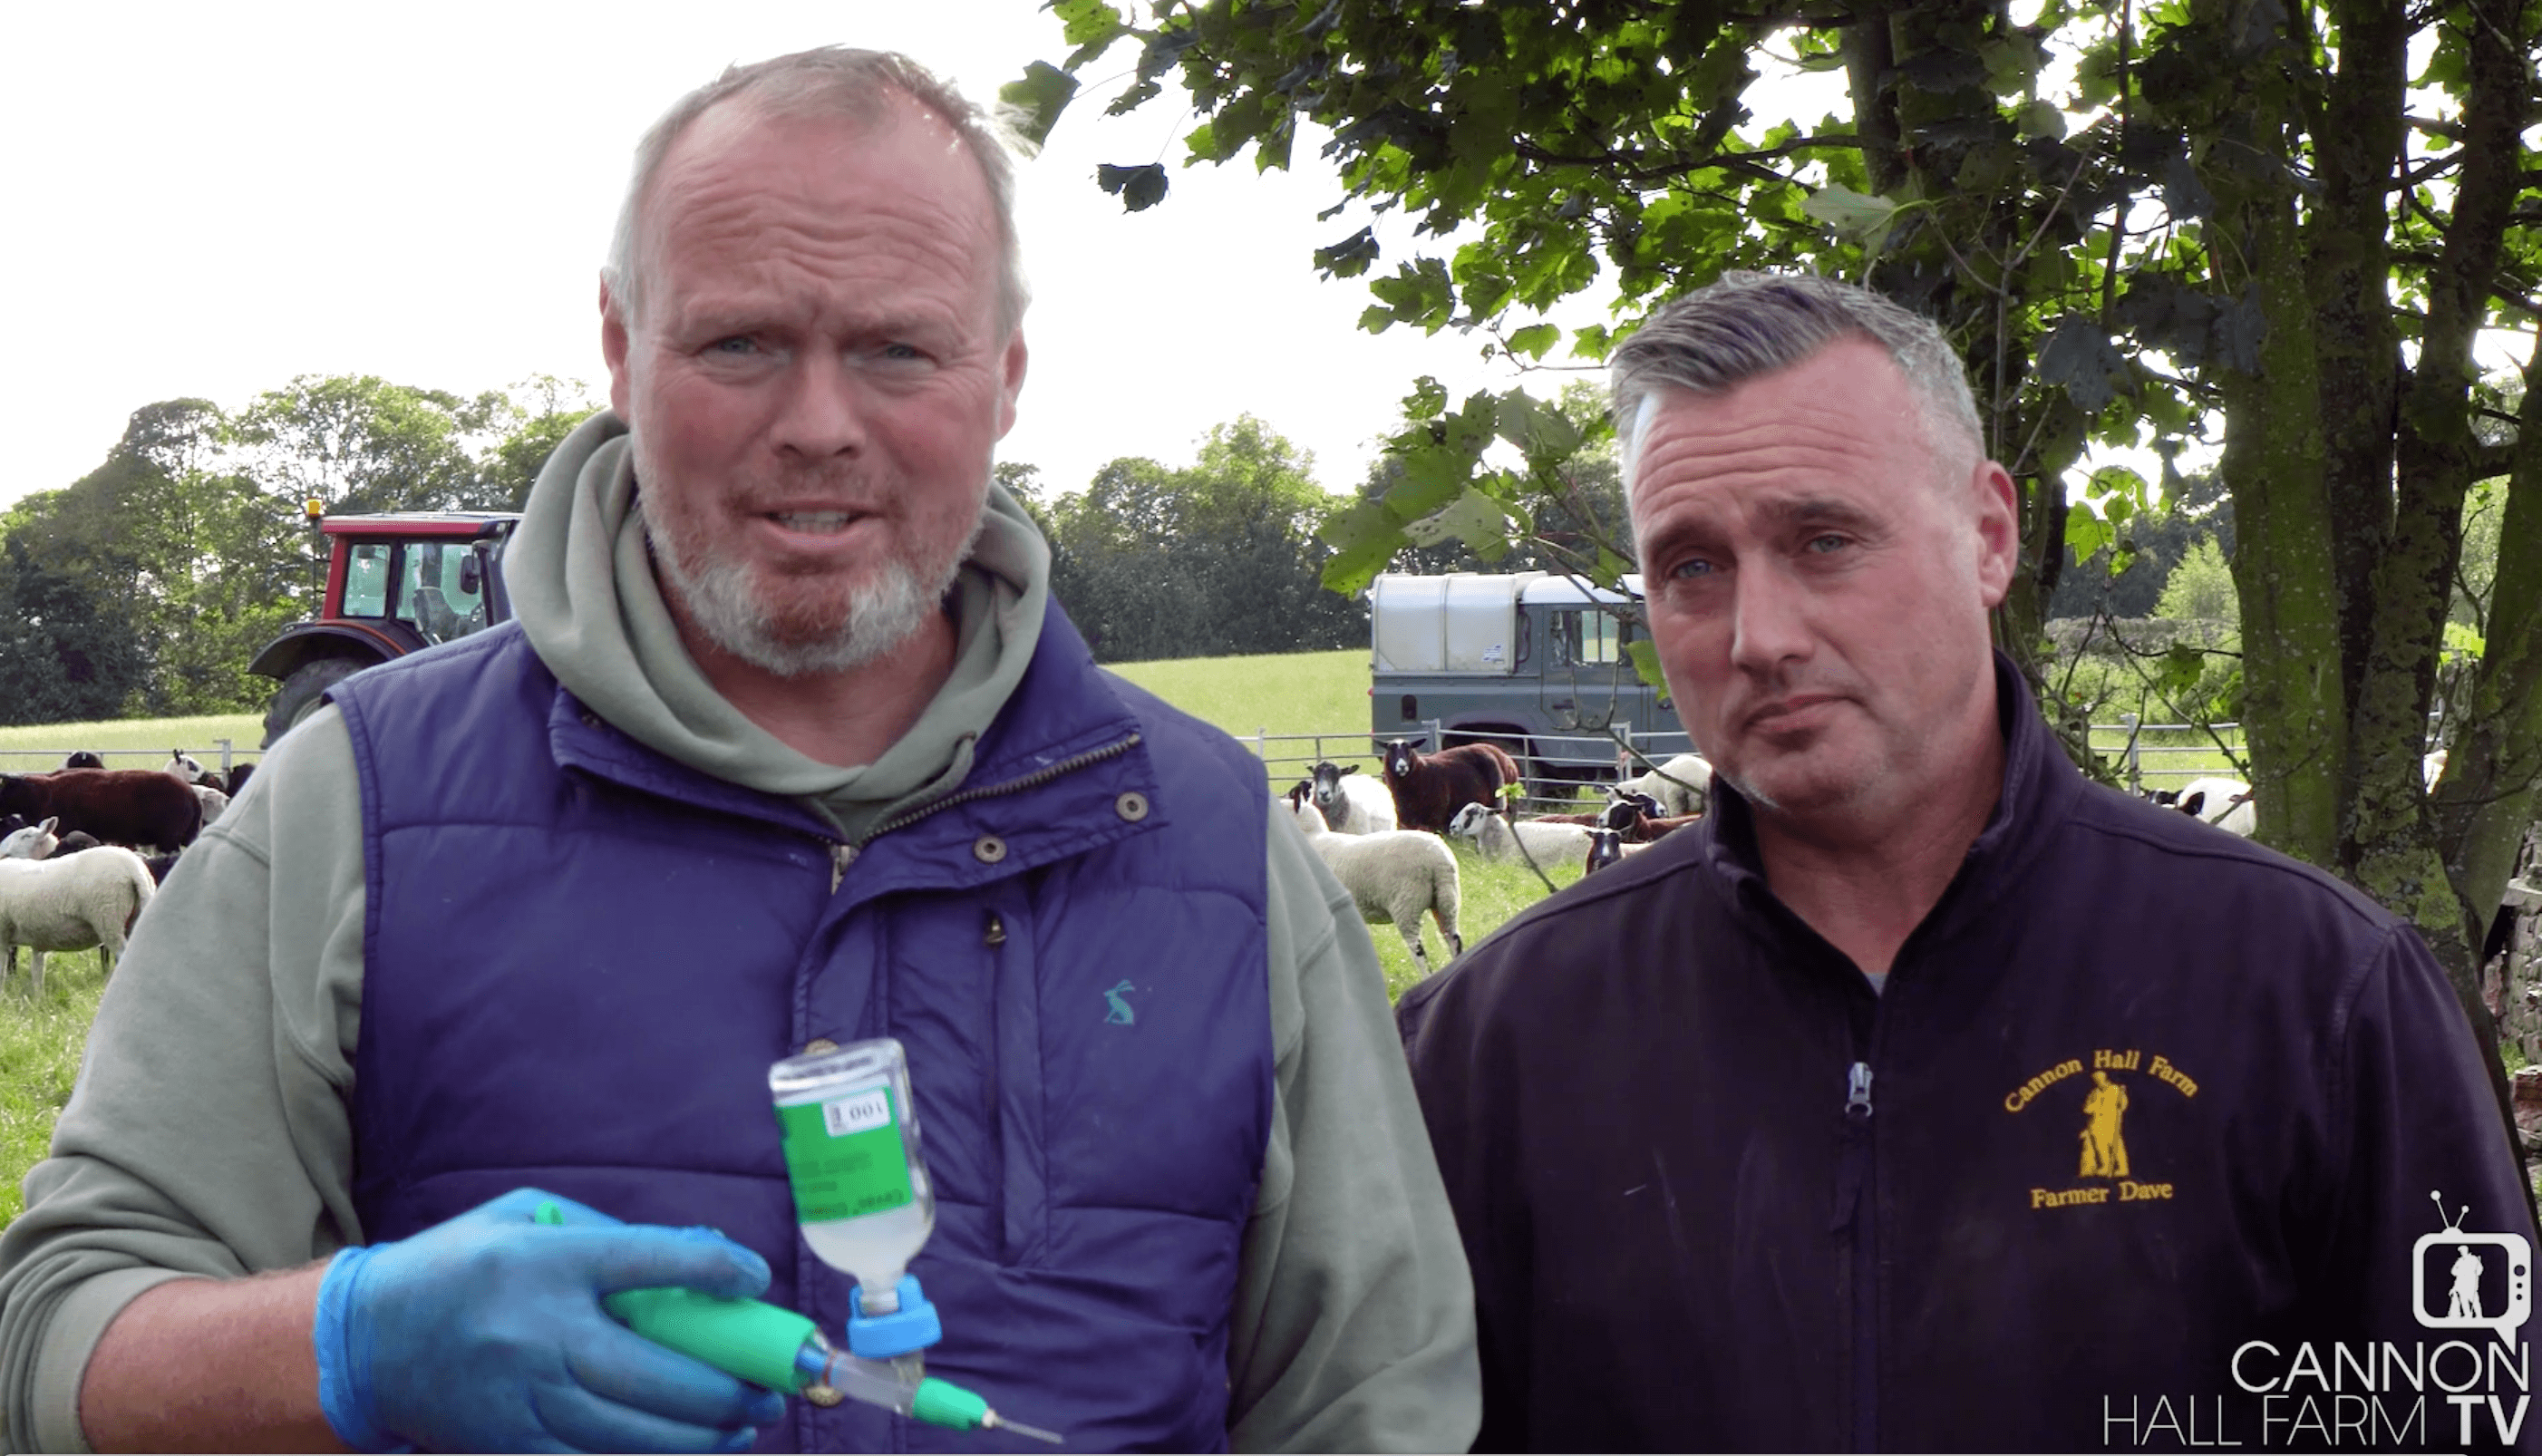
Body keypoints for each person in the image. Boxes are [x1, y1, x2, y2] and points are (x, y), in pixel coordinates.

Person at [0, 49, 1479, 1454]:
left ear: (1007, 376)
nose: (819, 423)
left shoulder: (1220, 844)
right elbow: (52, 1334)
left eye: (899, 347)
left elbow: (1379, 1394)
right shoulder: (356, 803)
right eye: (742, 341)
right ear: (622, 349)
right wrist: (347, 1346)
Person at [1395, 271, 2539, 1451]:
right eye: (1692, 566)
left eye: (1825, 538)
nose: (1760, 636)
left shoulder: (2319, 999)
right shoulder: (1489, 1053)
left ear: (1990, 537)